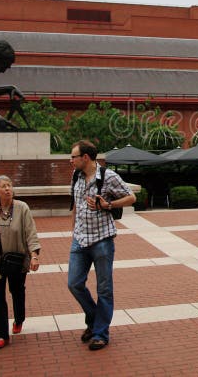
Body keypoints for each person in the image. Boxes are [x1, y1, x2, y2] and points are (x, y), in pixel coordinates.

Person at [68, 140, 136, 351]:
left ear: (85, 158)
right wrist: (73, 232)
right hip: (80, 240)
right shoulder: (75, 176)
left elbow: (131, 197)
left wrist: (108, 205)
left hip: (102, 240)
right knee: (74, 283)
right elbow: (76, 207)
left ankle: (100, 333)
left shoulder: (108, 176)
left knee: (104, 289)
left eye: (73, 157)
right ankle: (95, 318)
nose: (71, 161)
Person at [0, 175, 41, 350]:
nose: (8, 189)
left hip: (17, 261)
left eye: (9, 185)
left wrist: (34, 255)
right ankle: (2, 336)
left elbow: (30, 233)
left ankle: (19, 319)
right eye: (3, 186)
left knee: (17, 291)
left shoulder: (22, 208)